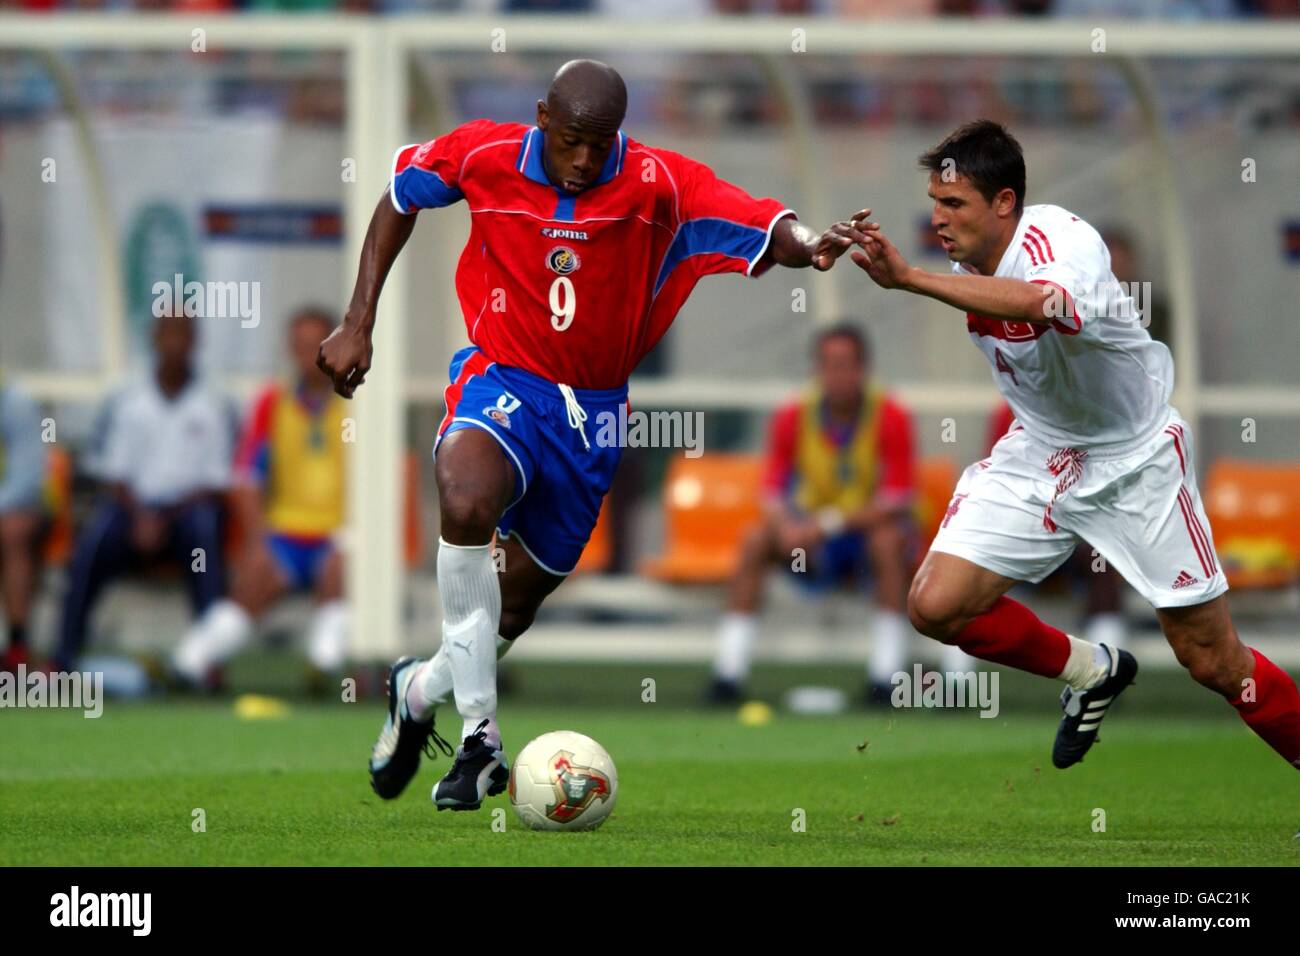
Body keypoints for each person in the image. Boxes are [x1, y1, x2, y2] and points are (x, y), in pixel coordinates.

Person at [318, 59, 870, 811]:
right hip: (501, 378)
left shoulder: (654, 183)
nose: (584, 160)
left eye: (600, 143)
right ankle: (480, 738)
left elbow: (758, 219)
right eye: (572, 140)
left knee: (510, 610)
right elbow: (399, 194)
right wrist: (358, 320)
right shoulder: (484, 154)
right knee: (466, 494)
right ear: (542, 116)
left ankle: (416, 692)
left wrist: (809, 241)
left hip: (594, 417)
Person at [848, 119, 1300, 772]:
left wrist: (910, 278)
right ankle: (1093, 671)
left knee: (1212, 660)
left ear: (1004, 202)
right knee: (935, 605)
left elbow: (1041, 305)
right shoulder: (964, 265)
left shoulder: (1061, 239)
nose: (939, 220)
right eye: (934, 205)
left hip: (1135, 459)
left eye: (954, 204)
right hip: (1043, 455)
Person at [707, 322, 942, 706]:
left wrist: (824, 526)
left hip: (864, 541)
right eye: (828, 364)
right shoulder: (793, 415)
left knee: (888, 541)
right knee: (755, 539)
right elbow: (771, 492)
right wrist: (787, 527)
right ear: (816, 369)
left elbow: (895, 500)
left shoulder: (891, 416)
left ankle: (885, 678)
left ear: (863, 369)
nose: (837, 374)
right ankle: (727, 674)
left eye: (846, 364)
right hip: (811, 542)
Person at [172, 308, 349, 691]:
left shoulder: (357, 403)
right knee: (255, 578)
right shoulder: (273, 402)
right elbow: (246, 477)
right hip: (286, 531)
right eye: (300, 347)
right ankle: (188, 666)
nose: (309, 357)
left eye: (316, 347)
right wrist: (257, 539)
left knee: (339, 569)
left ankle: (328, 672)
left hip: (342, 533)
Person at [54, 313, 233, 672]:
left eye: (182, 335)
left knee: (204, 540)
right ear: (154, 339)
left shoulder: (214, 403)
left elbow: (215, 484)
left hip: (186, 514)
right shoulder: (126, 398)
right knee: (91, 544)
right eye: (167, 334)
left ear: (195, 342)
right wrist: (142, 518)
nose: (174, 344)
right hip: (131, 510)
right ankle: (63, 657)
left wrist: (163, 520)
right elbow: (111, 473)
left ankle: (208, 662)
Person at [0, 376, 46, 673]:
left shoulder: (16, 404)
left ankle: (17, 646)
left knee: (12, 530)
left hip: (15, 508)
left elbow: (27, 479)